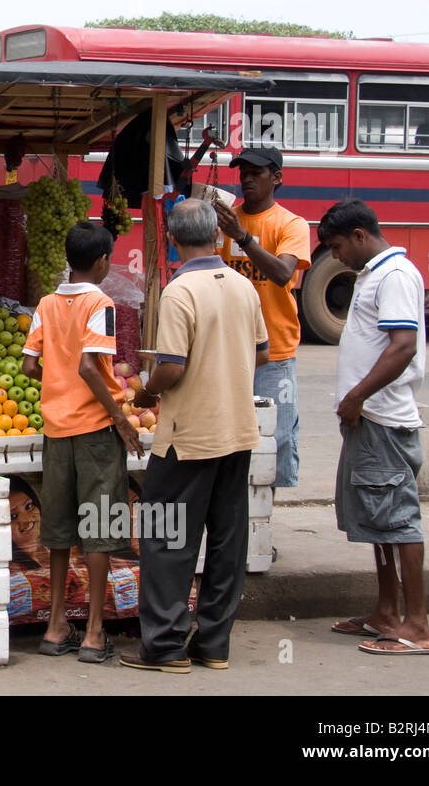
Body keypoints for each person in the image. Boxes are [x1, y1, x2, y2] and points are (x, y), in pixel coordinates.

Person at [120, 199, 269, 674]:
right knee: (227, 540)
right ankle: (214, 644)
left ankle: (164, 646)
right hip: (239, 431)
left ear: (172, 239)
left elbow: (171, 366)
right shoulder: (244, 286)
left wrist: (145, 395)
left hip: (189, 436)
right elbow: (262, 353)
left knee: (167, 538)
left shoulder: (181, 290)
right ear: (216, 235)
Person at [318, 200, 429, 655]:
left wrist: (356, 397)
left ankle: (418, 626)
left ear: (360, 236)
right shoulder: (375, 275)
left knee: (399, 520)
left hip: (383, 417)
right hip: (368, 419)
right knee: (377, 518)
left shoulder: (395, 276)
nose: (337, 258)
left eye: (337, 247)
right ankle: (387, 612)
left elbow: (402, 347)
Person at [22, 221, 145, 665]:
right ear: (101, 262)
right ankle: (93, 633)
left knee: (58, 532)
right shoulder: (101, 302)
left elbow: (28, 367)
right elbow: (92, 368)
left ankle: (56, 628)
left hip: (56, 431)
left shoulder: (47, 303)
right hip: (95, 432)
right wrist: (121, 421)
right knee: (97, 531)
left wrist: (56, 384)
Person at [213, 145, 311, 492]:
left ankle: (264, 527)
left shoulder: (291, 224)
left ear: (277, 178)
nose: (247, 179)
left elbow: (283, 273)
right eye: (243, 173)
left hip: (275, 353)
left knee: (273, 441)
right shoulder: (223, 220)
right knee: (229, 442)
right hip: (229, 352)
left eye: (257, 173)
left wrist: (242, 237)